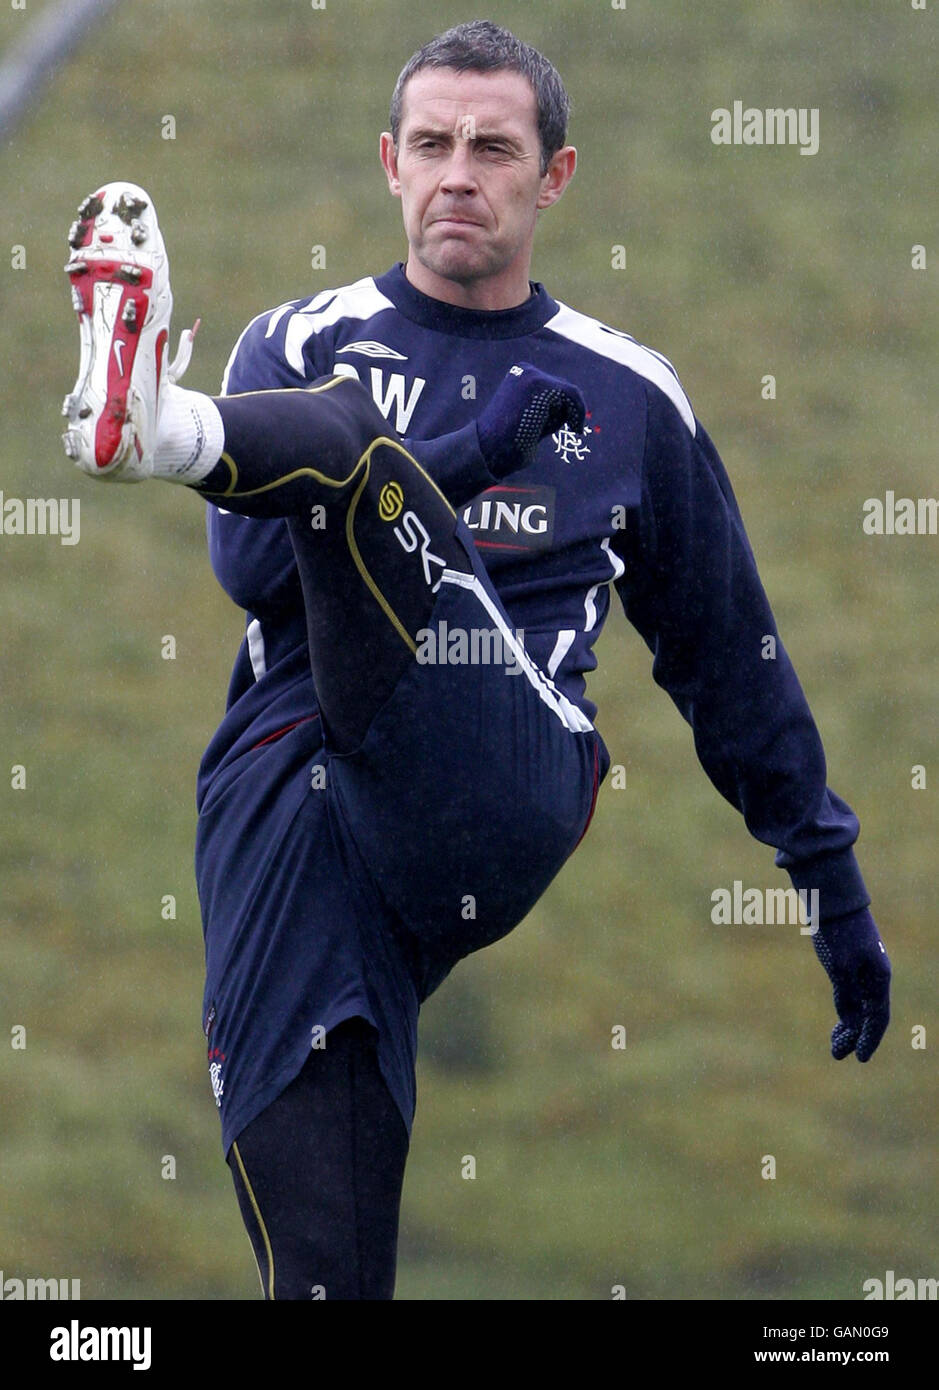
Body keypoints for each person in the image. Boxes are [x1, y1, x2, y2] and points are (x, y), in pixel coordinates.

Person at [60, 20, 890, 1301]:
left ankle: (158, 431)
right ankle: (160, 426)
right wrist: (463, 459)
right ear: (390, 162)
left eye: (494, 148)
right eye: (434, 145)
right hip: (295, 814)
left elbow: (733, 661)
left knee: (343, 435)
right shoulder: (298, 337)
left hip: (491, 779)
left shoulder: (626, 397)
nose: (461, 173)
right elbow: (253, 575)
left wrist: (829, 882)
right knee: (323, 1272)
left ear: (552, 178)